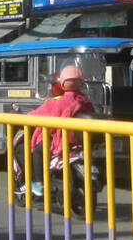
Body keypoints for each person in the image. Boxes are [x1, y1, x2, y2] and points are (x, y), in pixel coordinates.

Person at [24, 65, 94, 197]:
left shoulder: (60, 101)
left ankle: (38, 183)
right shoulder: (84, 100)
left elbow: (44, 116)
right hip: (80, 141)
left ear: (62, 83)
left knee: (38, 151)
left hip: (62, 140)